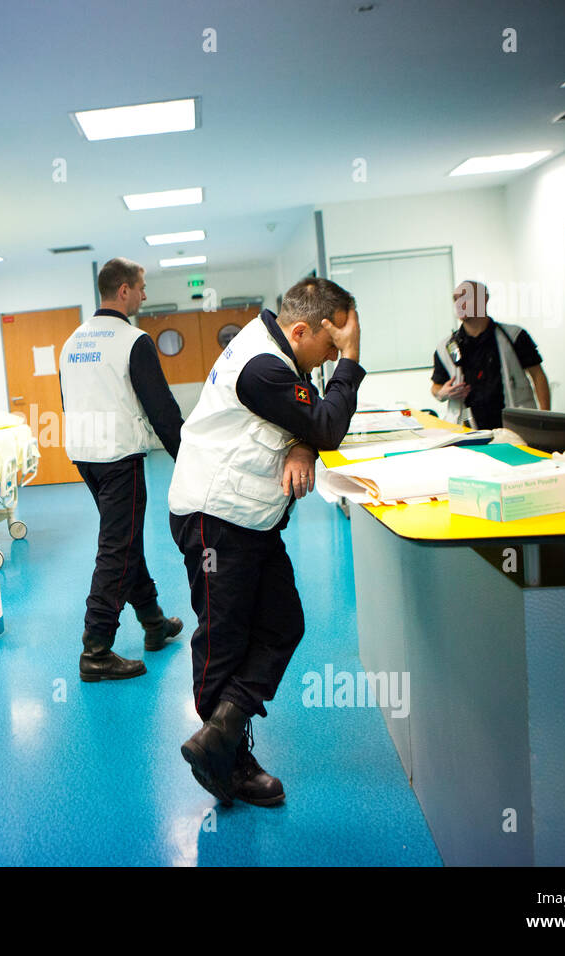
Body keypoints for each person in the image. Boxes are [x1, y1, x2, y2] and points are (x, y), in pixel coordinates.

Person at [168, 277, 363, 806]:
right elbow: (326, 421)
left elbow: (310, 416)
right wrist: (352, 360)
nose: (329, 360)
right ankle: (229, 764)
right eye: (329, 347)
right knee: (223, 640)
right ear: (301, 329)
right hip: (215, 516)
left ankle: (219, 736)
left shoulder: (281, 352)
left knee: (282, 625)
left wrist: (304, 443)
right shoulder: (261, 365)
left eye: (337, 352)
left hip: (251, 516)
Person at [59, 257, 185, 682]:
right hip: (119, 458)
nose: (145, 295)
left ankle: (154, 624)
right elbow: (162, 409)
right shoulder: (134, 340)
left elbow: (68, 401)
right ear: (124, 290)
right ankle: (96, 650)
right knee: (117, 549)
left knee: (124, 540)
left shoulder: (72, 341)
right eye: (142, 286)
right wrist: (187, 457)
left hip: (86, 456)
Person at [431, 279, 550, 428]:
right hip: (469, 430)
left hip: (513, 427)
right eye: (456, 299)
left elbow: (538, 376)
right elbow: (436, 387)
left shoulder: (514, 336)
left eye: (465, 297)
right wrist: (442, 393)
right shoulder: (447, 347)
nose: (459, 303)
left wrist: (545, 419)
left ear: (484, 299)